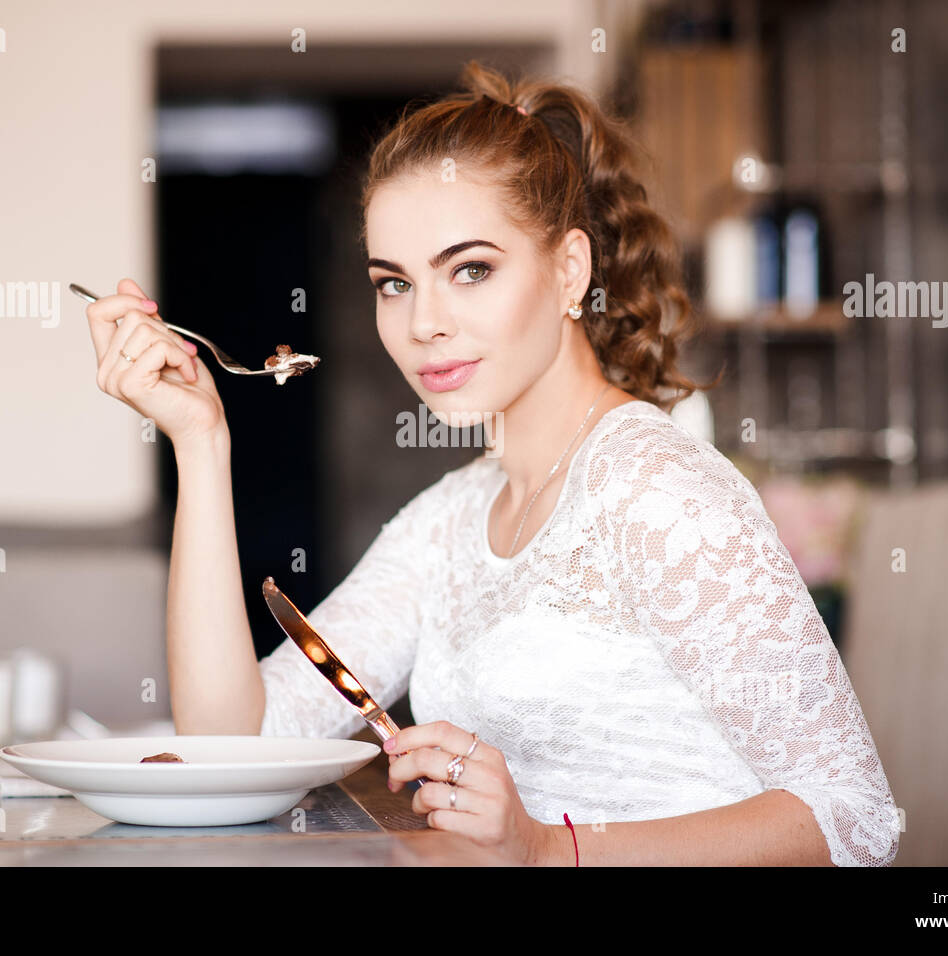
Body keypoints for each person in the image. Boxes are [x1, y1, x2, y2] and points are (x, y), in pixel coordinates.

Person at [82, 61, 901, 867]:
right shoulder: (448, 520)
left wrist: (552, 849)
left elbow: (854, 819)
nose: (424, 323)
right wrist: (200, 441)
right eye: (393, 284)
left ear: (569, 270)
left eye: (470, 270)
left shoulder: (659, 488)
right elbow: (236, 743)